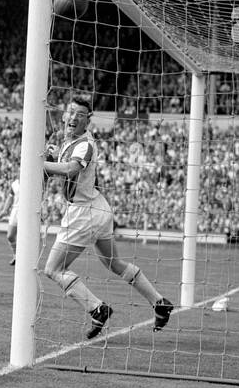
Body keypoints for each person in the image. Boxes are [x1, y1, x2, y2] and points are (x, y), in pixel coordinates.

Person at [40, 94, 173, 339]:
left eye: (80, 115)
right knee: (114, 263)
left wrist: (39, 164)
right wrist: (54, 154)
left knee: (53, 269)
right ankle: (160, 303)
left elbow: (70, 169)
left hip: (83, 213)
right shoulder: (72, 142)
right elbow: (67, 163)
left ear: (87, 121)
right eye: (71, 112)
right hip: (98, 208)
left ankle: (97, 309)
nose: (73, 117)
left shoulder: (85, 144)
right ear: (64, 116)